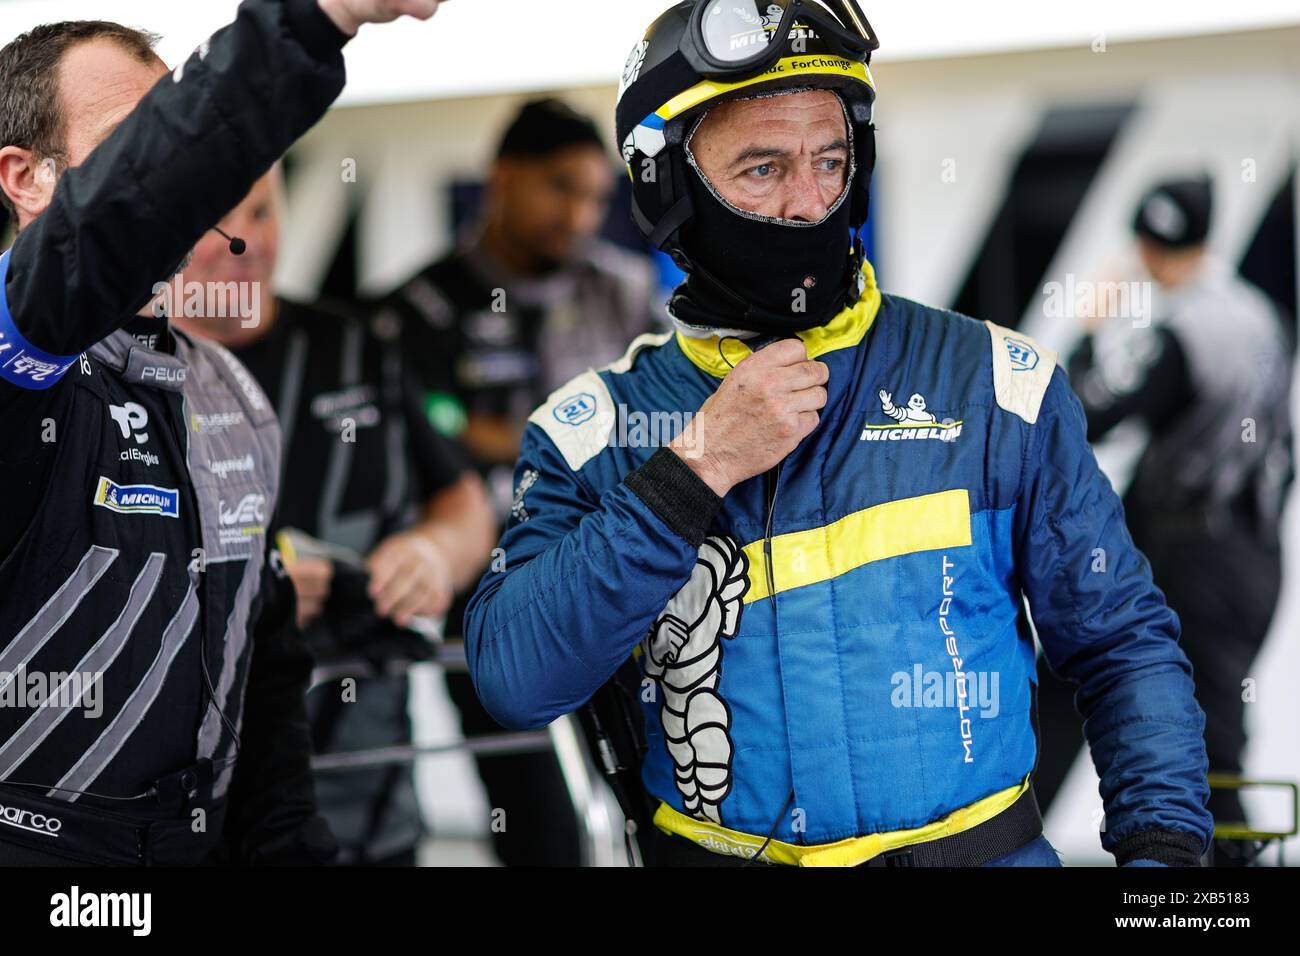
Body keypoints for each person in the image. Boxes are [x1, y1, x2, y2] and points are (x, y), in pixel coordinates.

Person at [464, 0, 1214, 868]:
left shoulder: (998, 388)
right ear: (663, 187)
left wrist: (1165, 873)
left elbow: (1123, 646)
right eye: (761, 169)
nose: (808, 201)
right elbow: (515, 682)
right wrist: (693, 467)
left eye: (830, 159)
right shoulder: (591, 435)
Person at [0, 0, 443, 866]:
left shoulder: (231, 393)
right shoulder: (16, 348)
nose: (186, 176)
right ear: (23, 177)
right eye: (140, 142)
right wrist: (312, 21)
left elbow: (265, 673)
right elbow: (95, 242)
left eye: (175, 134)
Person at [170, 167, 497, 866]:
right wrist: (250, 584)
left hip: (368, 796)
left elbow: (464, 500)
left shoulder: (354, 347)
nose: (245, 245)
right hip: (195, 808)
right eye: (215, 225)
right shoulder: (121, 371)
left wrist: (435, 553)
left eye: (262, 213)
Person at [375, 97, 663, 866]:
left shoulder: (627, 292)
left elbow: (675, 422)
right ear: (502, 178)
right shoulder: (417, 311)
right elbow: (429, 439)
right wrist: (571, 435)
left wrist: (503, 432)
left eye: (596, 197)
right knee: (542, 827)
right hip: (493, 599)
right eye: (560, 187)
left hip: (625, 577)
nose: (580, 213)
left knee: (662, 798)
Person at [1038, 175, 1293, 863]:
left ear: (1146, 243)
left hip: (1192, 561)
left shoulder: (1181, 330)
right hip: (1256, 556)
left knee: (1184, 734)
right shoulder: (1258, 316)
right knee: (1215, 735)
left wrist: (1091, 325)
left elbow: (1086, 414)